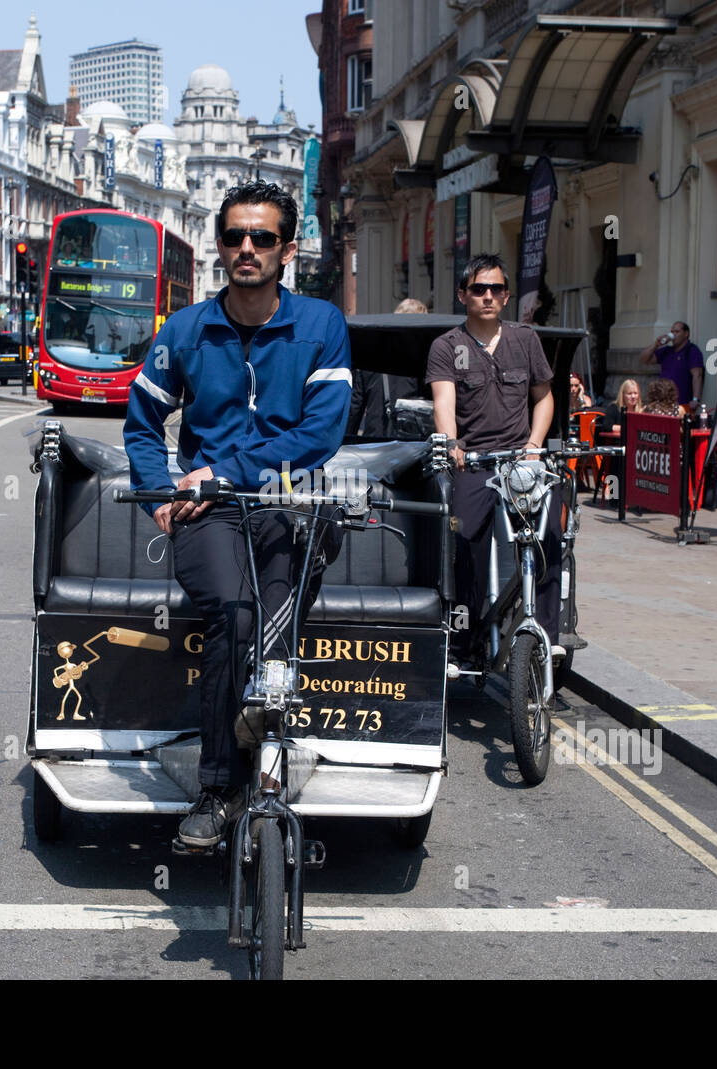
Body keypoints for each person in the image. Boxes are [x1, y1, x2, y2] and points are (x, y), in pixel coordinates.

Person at [123, 181, 352, 847]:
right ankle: (219, 788)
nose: (247, 248)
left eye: (263, 237)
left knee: (274, 621)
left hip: (291, 506)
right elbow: (142, 422)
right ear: (220, 246)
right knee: (233, 611)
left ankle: (273, 761)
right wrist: (160, 491)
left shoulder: (320, 325)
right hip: (209, 516)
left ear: (287, 249)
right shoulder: (186, 328)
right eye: (234, 237)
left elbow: (320, 432)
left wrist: (226, 473)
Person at [425, 253, 560, 669]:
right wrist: (453, 446)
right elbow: (443, 403)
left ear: (505, 295)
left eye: (497, 289)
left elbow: (544, 398)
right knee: (464, 542)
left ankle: (547, 637)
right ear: (463, 294)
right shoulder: (448, 347)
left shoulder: (525, 340)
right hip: (476, 463)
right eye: (479, 289)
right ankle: (465, 645)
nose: (488, 296)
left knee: (549, 536)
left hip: (522, 463)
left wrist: (535, 444)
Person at [346, 297, 427, 437]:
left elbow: (355, 406)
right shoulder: (424, 360)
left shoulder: (370, 358)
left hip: (375, 439)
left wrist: (346, 439)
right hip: (412, 442)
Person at [639, 321, 704, 407]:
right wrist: (656, 344)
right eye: (672, 332)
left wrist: (695, 399)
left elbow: (697, 375)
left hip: (681, 404)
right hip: (662, 403)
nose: (673, 335)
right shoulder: (667, 351)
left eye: (677, 332)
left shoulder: (692, 350)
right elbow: (643, 359)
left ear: (686, 334)